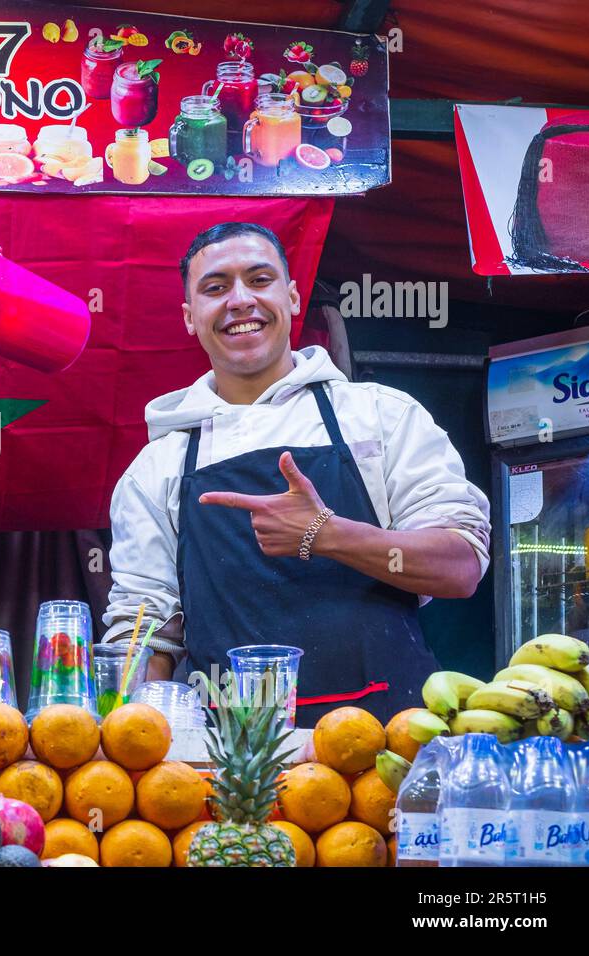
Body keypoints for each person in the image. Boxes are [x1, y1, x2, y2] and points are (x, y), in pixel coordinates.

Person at [102, 222, 490, 723]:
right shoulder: (158, 468)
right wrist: (130, 736)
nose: (240, 300)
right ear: (190, 317)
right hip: (232, 755)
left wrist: (327, 535)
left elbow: (460, 568)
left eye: (259, 280)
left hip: (386, 740)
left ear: (292, 297)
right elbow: (144, 631)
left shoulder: (380, 416)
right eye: (215, 288)